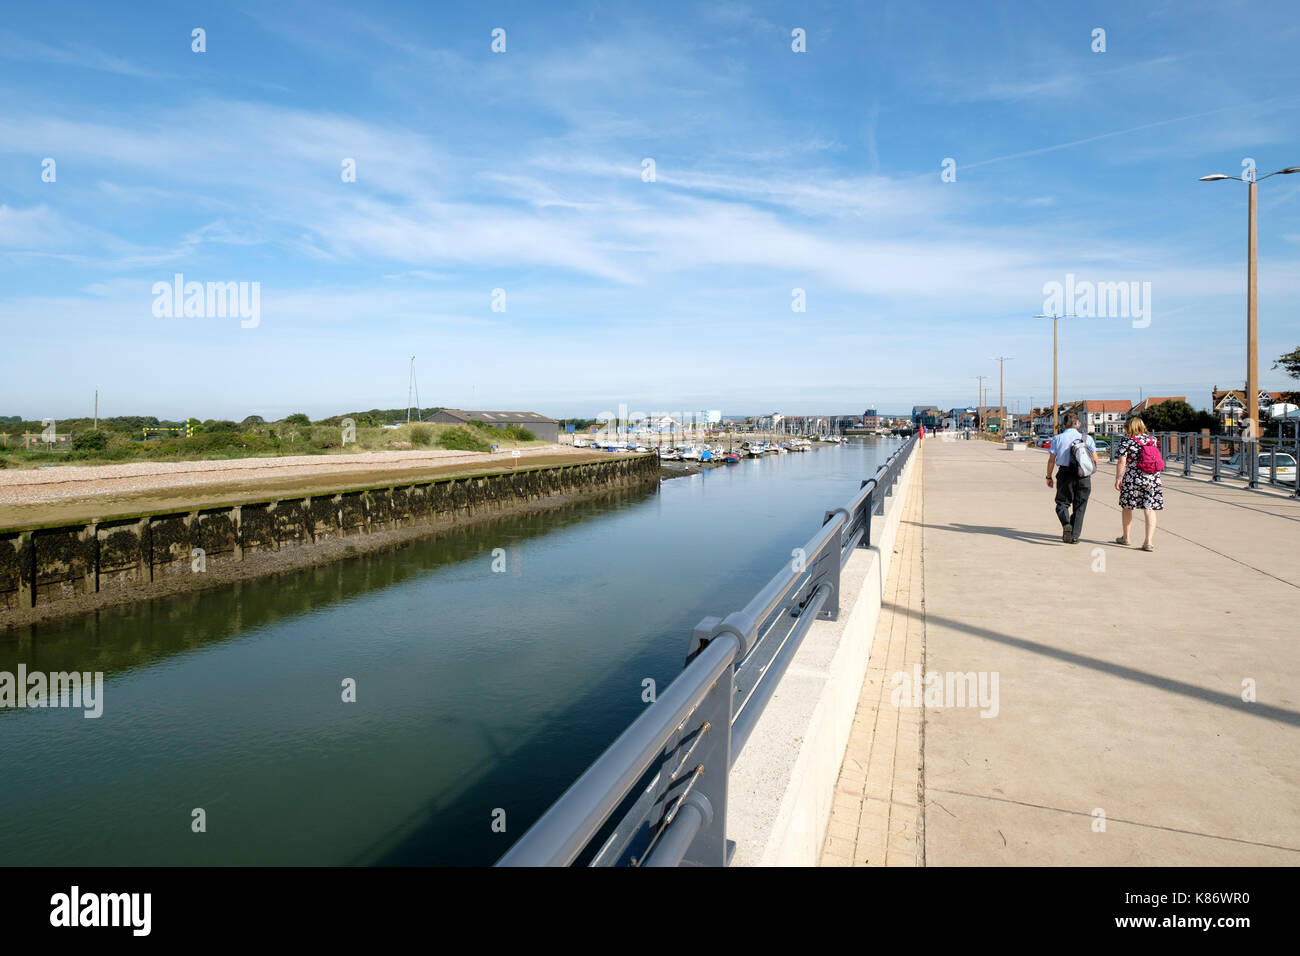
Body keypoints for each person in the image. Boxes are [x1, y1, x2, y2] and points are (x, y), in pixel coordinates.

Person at [1045, 412, 1096, 544]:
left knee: (1062, 503)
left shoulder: (1057, 438)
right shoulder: (1087, 439)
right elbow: (1095, 459)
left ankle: (1066, 523)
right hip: (1083, 475)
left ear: (1063, 425)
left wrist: (1049, 476)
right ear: (1077, 425)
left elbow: (1051, 460)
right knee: (1080, 505)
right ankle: (1074, 536)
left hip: (1065, 473)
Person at [1113, 416, 1163, 551]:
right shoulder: (1153, 440)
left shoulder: (1126, 441)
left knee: (1127, 507)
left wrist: (1118, 478)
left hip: (1133, 479)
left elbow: (1122, 461)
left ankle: (1126, 537)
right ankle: (1148, 542)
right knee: (1149, 508)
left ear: (1129, 428)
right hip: (1152, 478)